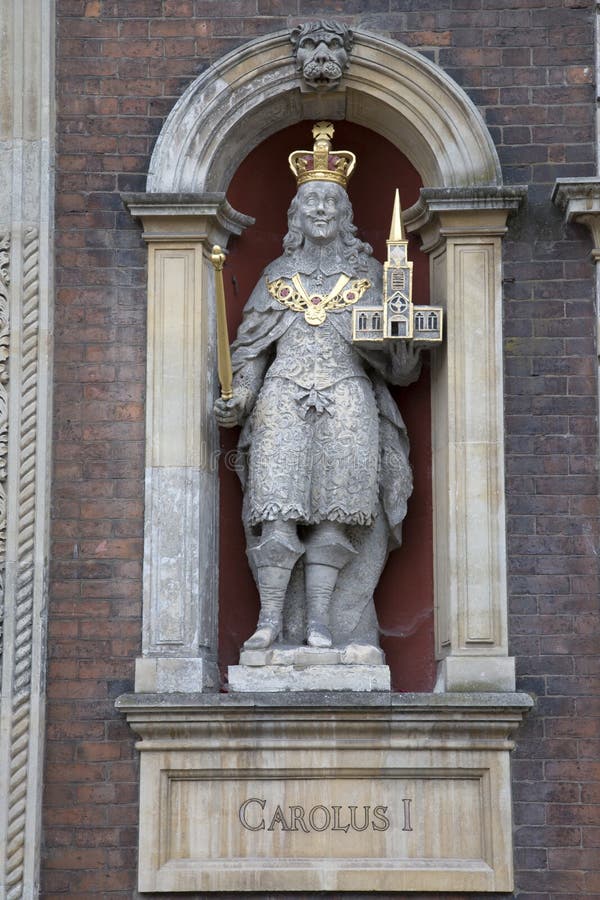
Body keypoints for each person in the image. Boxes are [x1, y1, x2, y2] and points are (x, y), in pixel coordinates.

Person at [215, 122, 422, 652]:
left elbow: (398, 365)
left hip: (349, 399)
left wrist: (400, 353)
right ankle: (269, 621)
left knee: (336, 520)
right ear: (296, 214)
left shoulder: (372, 275)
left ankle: (323, 623)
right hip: (282, 399)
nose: (322, 209)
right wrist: (240, 396)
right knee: (276, 516)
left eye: (332, 201)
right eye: (312, 202)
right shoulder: (276, 275)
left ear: (346, 213)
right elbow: (251, 352)